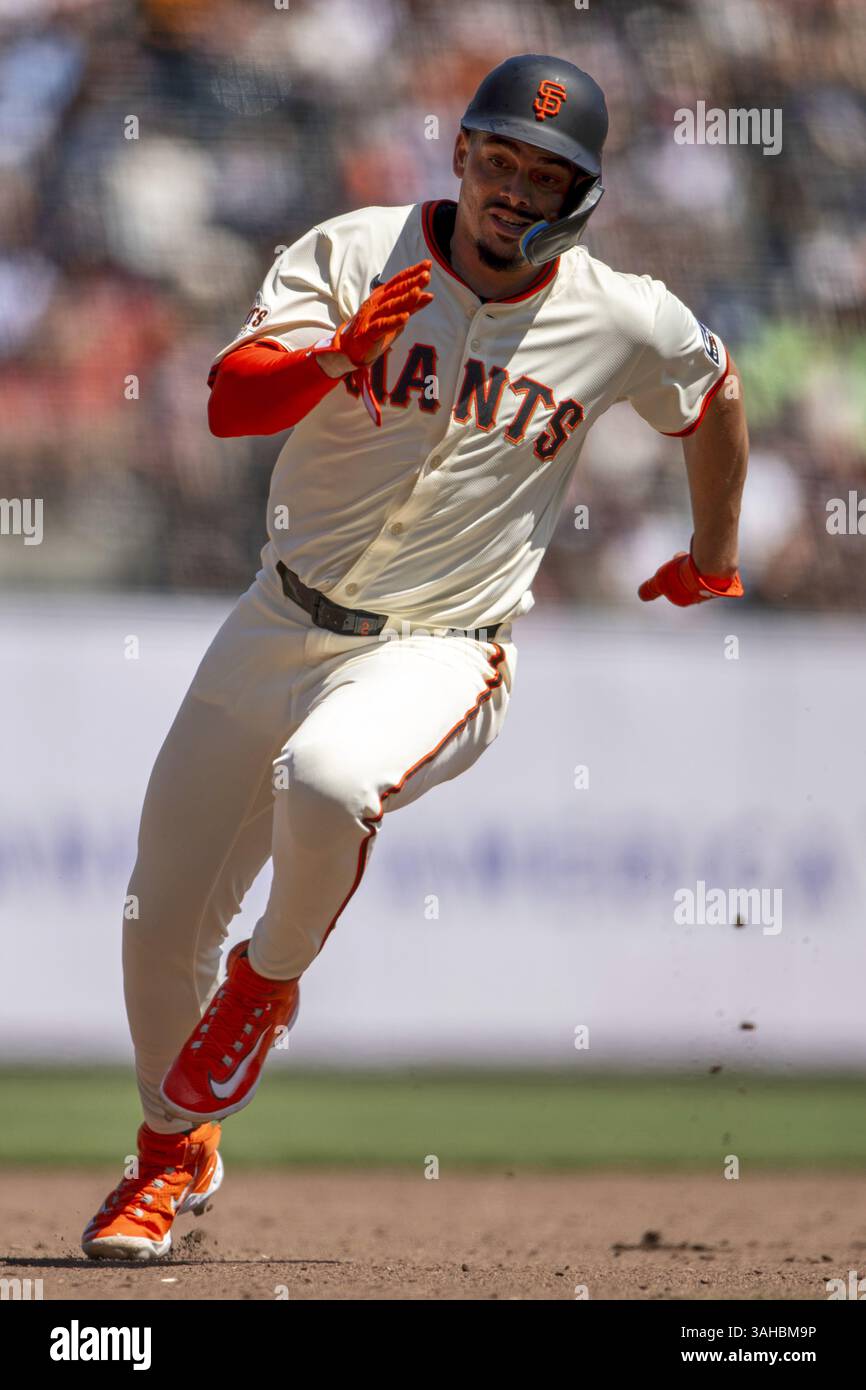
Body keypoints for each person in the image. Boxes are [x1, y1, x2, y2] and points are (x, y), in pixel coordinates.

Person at [82, 53, 747, 1260]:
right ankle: (173, 1153)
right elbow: (233, 402)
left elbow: (712, 394)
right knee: (156, 913)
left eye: (543, 171)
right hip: (276, 617)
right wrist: (334, 354)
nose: (511, 185)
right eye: (497, 157)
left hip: (443, 645)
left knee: (330, 780)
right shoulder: (351, 251)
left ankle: (268, 980)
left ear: (580, 196)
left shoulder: (619, 314)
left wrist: (709, 551)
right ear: (460, 156)